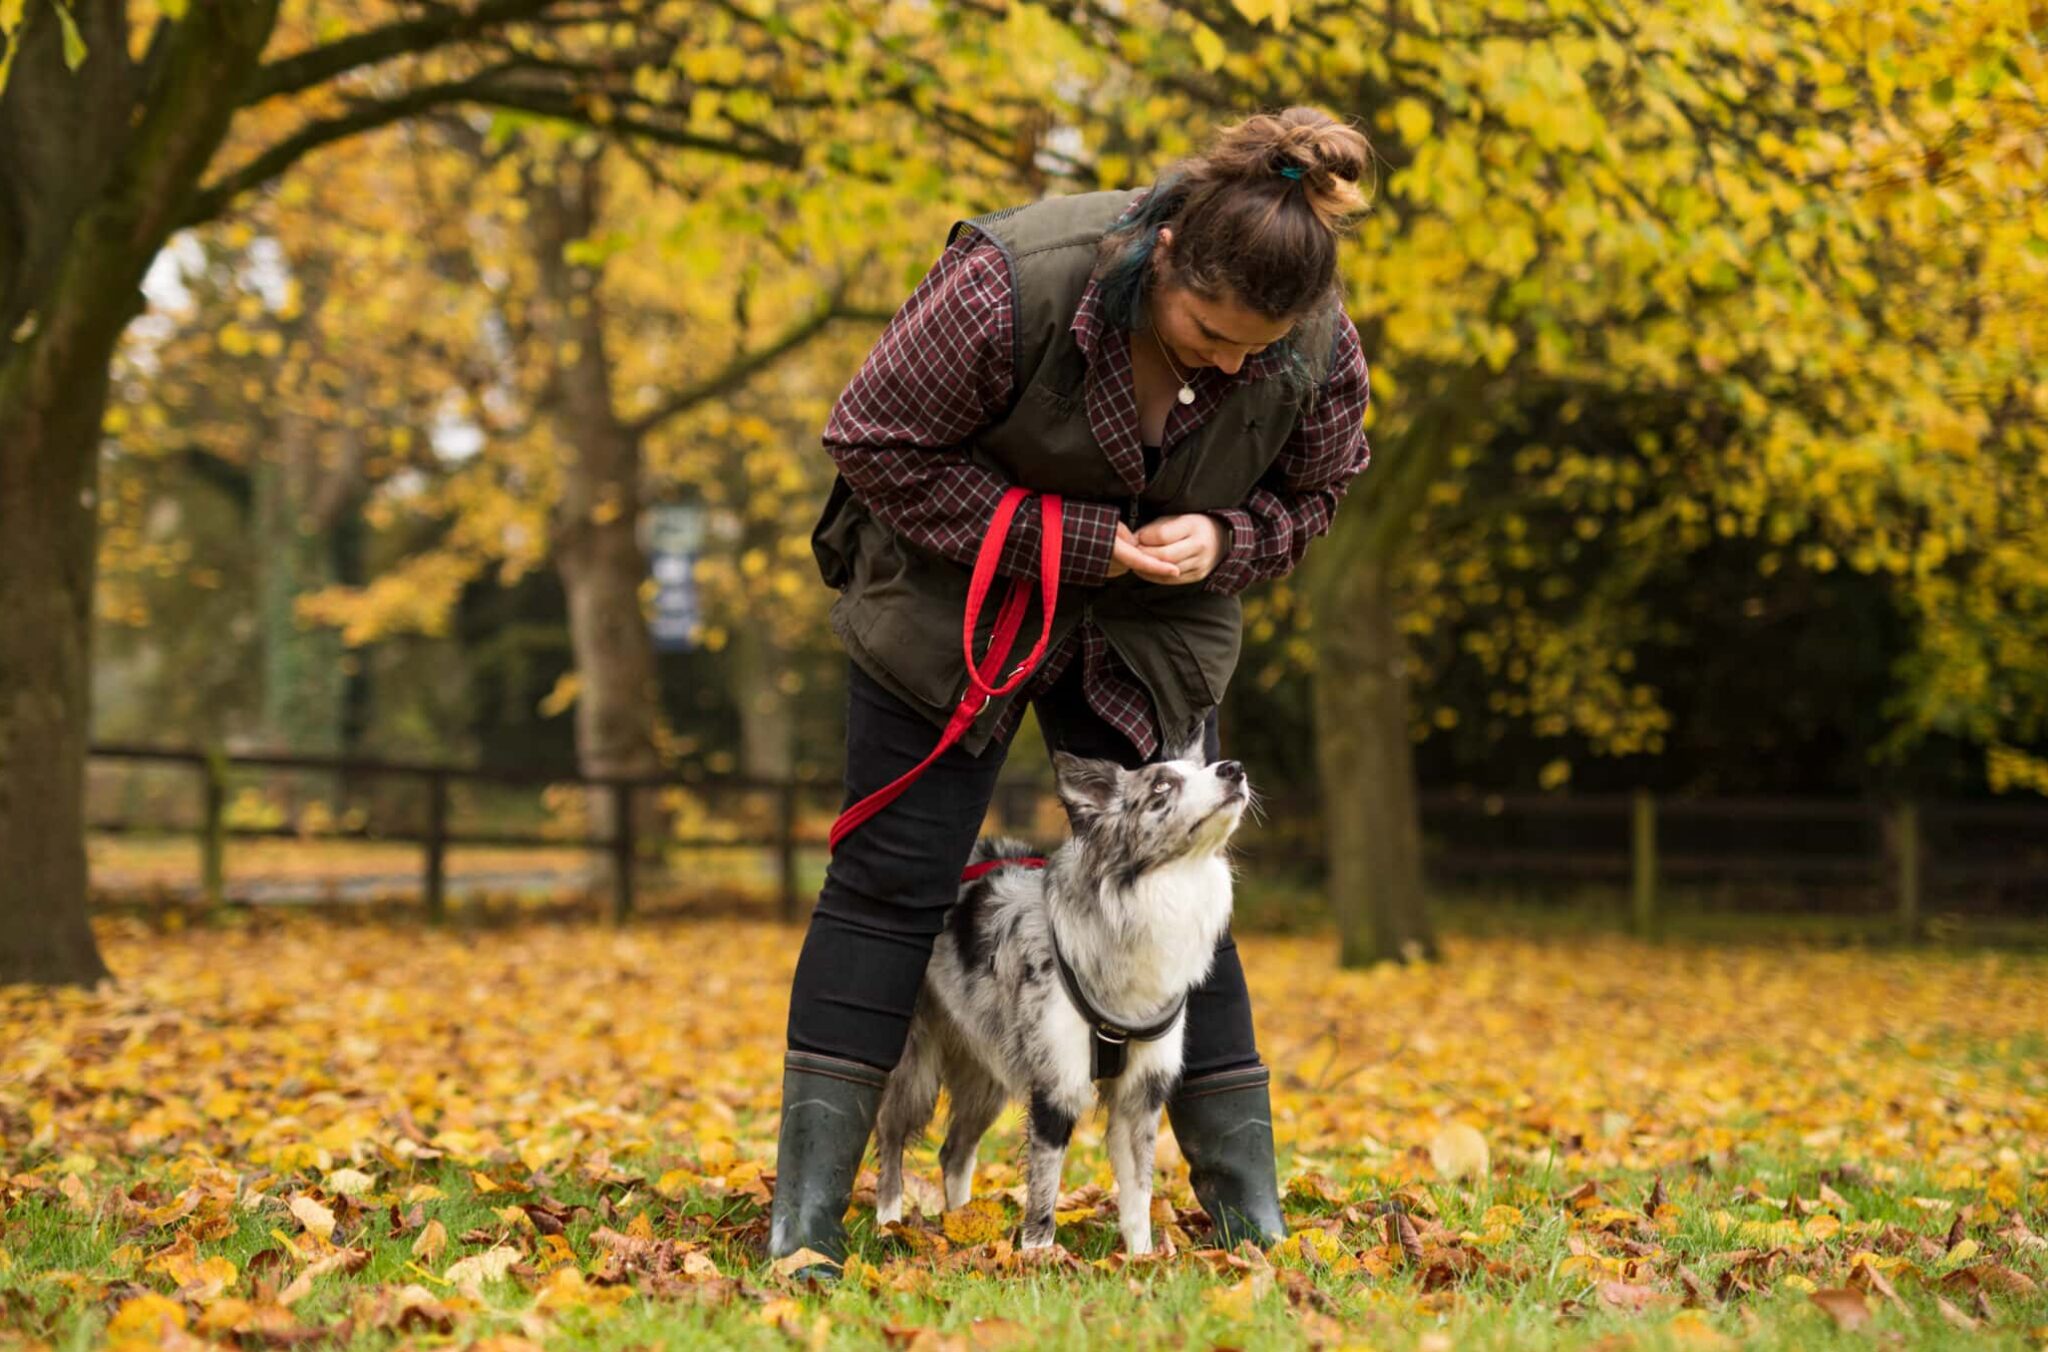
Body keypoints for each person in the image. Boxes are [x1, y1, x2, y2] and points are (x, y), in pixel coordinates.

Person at [768, 107, 1374, 1273]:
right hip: (955, 593)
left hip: (1155, 625)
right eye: (1208, 331)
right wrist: (1080, 536)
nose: (1231, 364)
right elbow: (873, 440)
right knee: (891, 881)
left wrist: (1231, 536)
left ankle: (1247, 1213)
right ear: (1162, 254)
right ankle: (807, 1222)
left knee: (1181, 871)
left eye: (1260, 345)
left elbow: (1318, 491)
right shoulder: (1011, 284)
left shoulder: (1315, 344)